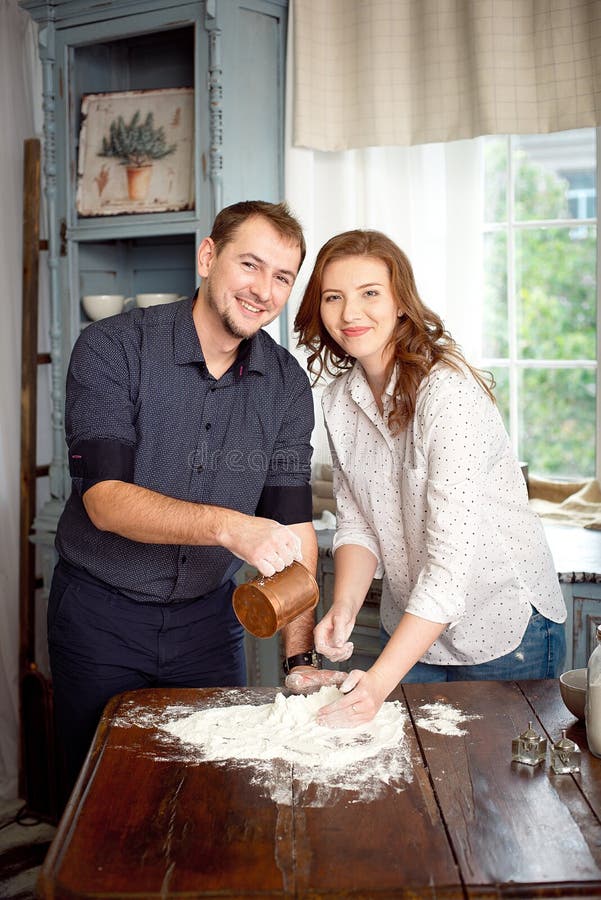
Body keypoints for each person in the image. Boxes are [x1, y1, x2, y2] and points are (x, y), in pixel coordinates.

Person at [49, 200, 339, 797]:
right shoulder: (112, 349)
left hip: (209, 626)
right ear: (208, 257)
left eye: (282, 276)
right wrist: (231, 527)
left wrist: (298, 659)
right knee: (100, 801)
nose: (263, 290)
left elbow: (294, 525)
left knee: (211, 800)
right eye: (250, 265)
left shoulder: (286, 384)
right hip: (101, 618)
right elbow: (104, 500)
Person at [293, 229, 567, 728]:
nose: (350, 314)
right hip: (416, 633)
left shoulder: (449, 396)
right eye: (334, 297)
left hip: (504, 628)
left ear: (401, 302)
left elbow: (448, 570)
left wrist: (376, 681)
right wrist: (346, 606)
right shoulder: (338, 400)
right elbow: (357, 524)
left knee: (500, 799)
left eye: (370, 293)